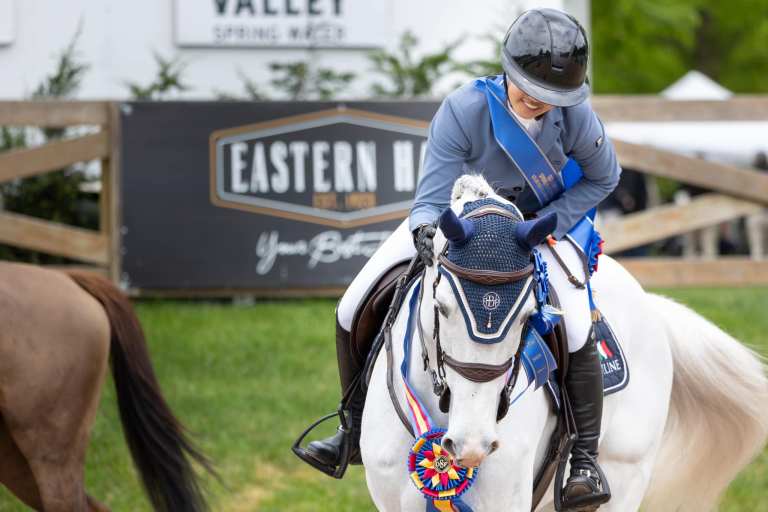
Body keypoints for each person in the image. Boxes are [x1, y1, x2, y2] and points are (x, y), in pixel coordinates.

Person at [304, 8, 620, 509]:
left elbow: (604, 177)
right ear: (508, 71)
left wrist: (548, 224)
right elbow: (429, 199)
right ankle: (351, 425)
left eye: (552, 97)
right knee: (351, 302)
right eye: (528, 89)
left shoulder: (575, 116)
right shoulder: (464, 107)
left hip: (536, 229)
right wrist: (427, 233)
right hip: (461, 224)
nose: (538, 102)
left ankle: (583, 456)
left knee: (577, 321)